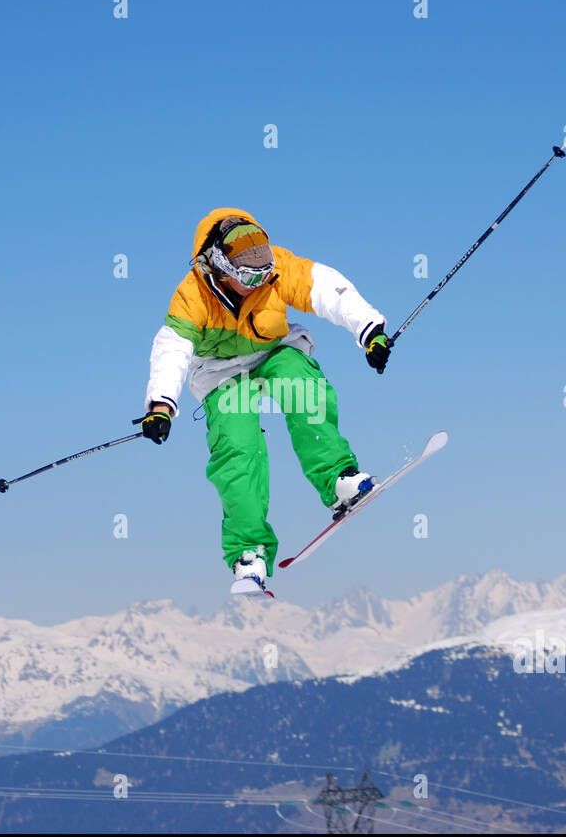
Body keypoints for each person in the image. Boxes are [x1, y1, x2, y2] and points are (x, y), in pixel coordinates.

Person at [138, 208, 392, 596]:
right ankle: (248, 552)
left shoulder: (276, 269)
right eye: (247, 277)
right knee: (239, 447)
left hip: (274, 349)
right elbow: (172, 348)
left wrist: (369, 330)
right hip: (221, 371)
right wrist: (161, 405)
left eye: (262, 273)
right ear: (218, 268)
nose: (257, 283)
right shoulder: (192, 294)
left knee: (304, 388)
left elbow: (326, 288)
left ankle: (338, 480)